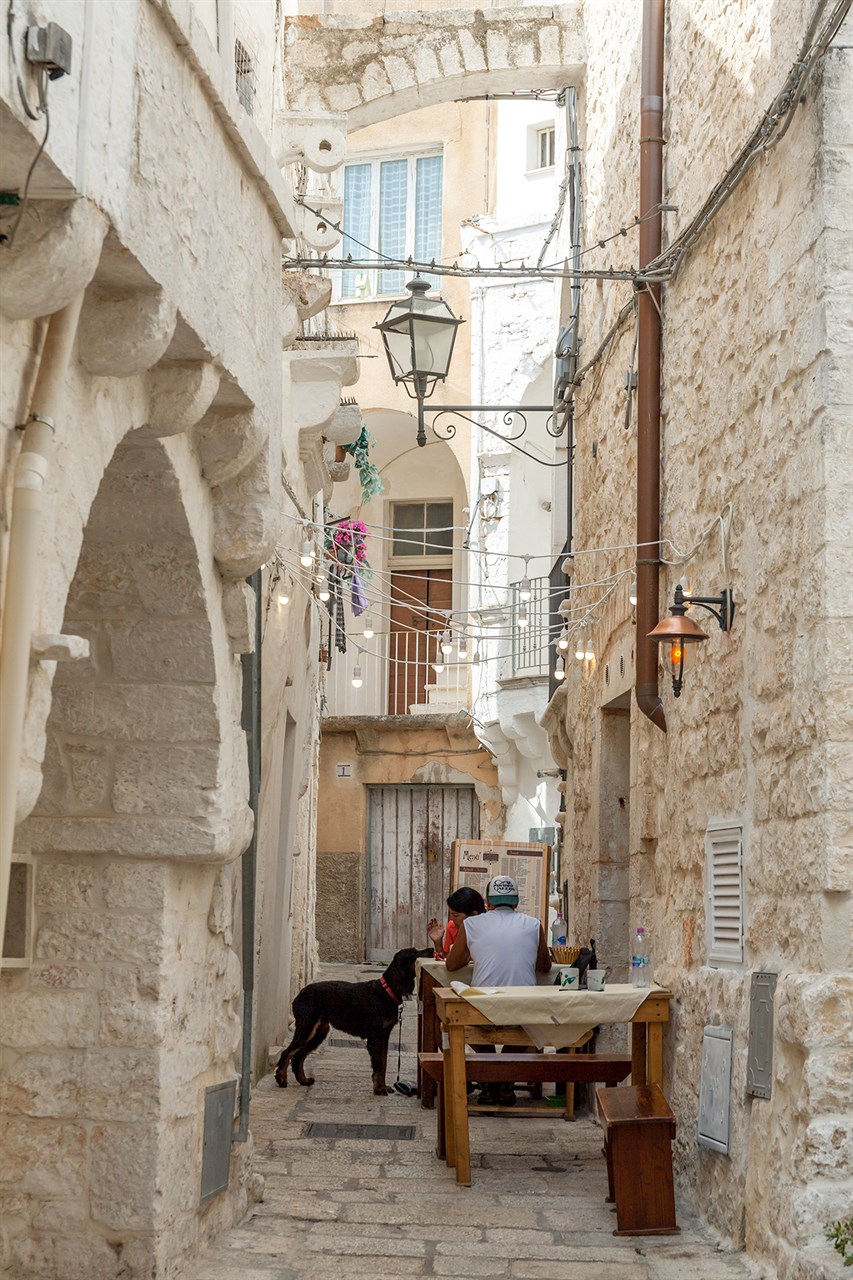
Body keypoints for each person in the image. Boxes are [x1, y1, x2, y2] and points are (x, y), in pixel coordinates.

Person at [446, 874, 551, 1106]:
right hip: (521, 1010)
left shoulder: (471, 925)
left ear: (488, 903)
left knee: (462, 1019)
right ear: (516, 903)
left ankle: (491, 1077)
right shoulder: (534, 925)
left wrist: (475, 953)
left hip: (484, 1010)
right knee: (531, 1025)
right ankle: (503, 1077)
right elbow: (545, 967)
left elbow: (451, 965)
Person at [427, 886, 486, 961]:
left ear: (474, 915)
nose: (451, 919)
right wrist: (438, 943)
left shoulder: (488, 930)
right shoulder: (452, 926)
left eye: (456, 915)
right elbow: (449, 960)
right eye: (451, 914)